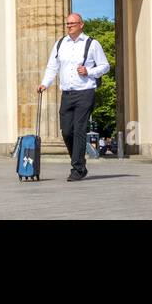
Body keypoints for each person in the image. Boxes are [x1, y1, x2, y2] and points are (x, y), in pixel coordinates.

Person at [37, 13, 110, 182]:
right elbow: (52, 67)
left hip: (85, 92)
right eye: (67, 23)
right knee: (67, 131)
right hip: (67, 94)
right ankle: (79, 163)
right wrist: (44, 84)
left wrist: (89, 71)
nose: (69, 26)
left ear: (81, 24)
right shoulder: (60, 44)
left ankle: (77, 168)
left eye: (73, 23)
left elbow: (105, 66)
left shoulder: (92, 44)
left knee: (79, 130)